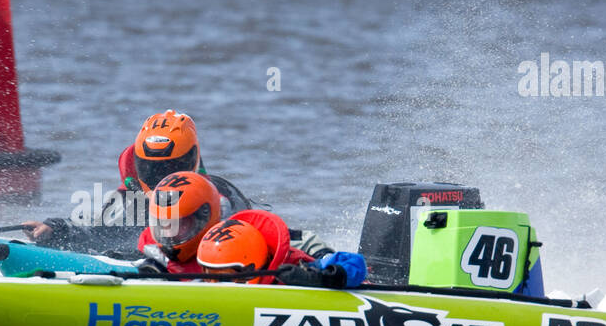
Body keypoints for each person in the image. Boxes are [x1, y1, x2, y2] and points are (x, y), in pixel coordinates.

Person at [22, 110, 253, 252]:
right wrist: (58, 230)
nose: (161, 177)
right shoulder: (128, 199)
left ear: (190, 159)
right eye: (151, 167)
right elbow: (101, 237)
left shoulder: (219, 199)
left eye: (170, 167)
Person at [196, 210, 367, 287]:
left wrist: (315, 278)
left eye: (222, 278)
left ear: (250, 268)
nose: (212, 285)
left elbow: (356, 264)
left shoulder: (295, 265)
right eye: (208, 276)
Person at [135, 171, 224, 273]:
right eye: (162, 223)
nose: (168, 234)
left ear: (203, 219)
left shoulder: (223, 255)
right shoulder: (148, 243)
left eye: (178, 224)